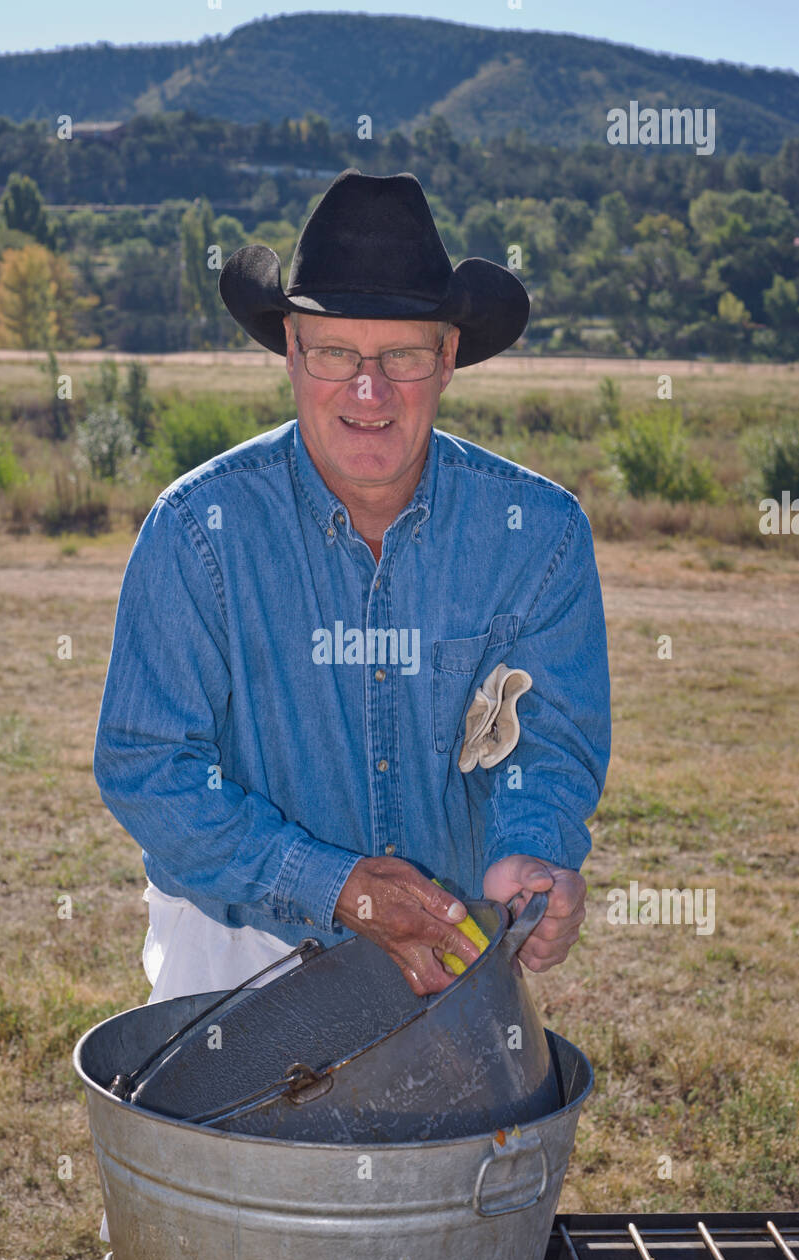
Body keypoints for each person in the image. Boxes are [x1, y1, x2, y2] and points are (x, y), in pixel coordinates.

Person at [93, 167, 611, 1007]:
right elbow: (147, 765)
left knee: (453, 1145)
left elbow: (549, 746)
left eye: (401, 353)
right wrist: (331, 884)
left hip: (449, 947)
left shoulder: (539, 535)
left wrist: (531, 850)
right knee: (224, 1147)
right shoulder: (198, 528)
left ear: (446, 358)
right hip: (236, 949)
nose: (368, 391)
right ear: (291, 352)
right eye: (336, 351)